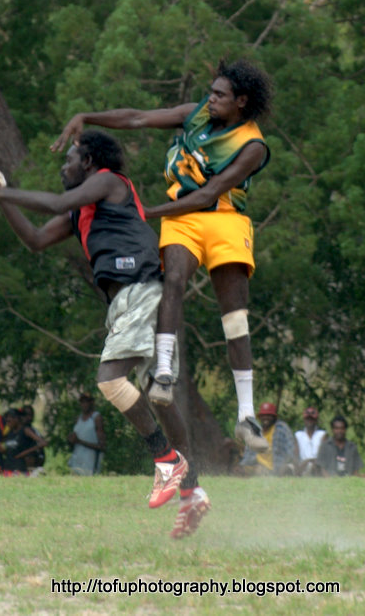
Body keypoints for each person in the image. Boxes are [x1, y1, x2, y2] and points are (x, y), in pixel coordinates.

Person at [0, 131, 210, 537]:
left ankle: (167, 461)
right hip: (135, 298)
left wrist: (3, 193)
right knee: (159, 398)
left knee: (111, 379)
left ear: (90, 162)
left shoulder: (111, 181)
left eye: (71, 159)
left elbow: (58, 201)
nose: (64, 166)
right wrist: (4, 198)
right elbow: (36, 240)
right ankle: (192, 492)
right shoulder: (82, 213)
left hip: (141, 289)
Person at [53, 59, 273, 453]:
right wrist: (88, 116)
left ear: (241, 101)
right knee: (171, 280)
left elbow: (208, 194)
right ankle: (165, 375)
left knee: (235, 319)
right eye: (211, 90)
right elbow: (137, 118)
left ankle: (246, 414)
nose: (211, 98)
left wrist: (146, 211)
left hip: (224, 218)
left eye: (220, 94)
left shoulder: (252, 145)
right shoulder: (195, 115)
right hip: (183, 217)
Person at [238, 402, 295, 476]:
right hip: (257, 466)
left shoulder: (282, 429)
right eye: (263, 415)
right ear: (260, 417)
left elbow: (291, 450)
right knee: (242, 469)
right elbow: (248, 453)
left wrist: (285, 463)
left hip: (277, 465)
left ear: (274, 417)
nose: (265, 418)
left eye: (269, 415)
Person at [0, 408, 47, 476]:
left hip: (21, 468)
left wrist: (25, 453)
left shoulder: (25, 430)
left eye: (9, 421)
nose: (7, 423)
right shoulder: (9, 432)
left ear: (16, 419)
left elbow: (43, 443)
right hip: (8, 468)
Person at [68, 393, 106, 476]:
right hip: (77, 460)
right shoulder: (79, 419)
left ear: (91, 403)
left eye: (86, 402)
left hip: (91, 462)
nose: (84, 405)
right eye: (82, 402)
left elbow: (101, 446)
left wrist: (80, 441)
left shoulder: (96, 418)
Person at [294, 406, 326, 477]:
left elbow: (323, 456)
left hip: (317, 466)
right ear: (304, 420)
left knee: (312, 466)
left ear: (316, 420)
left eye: (312, 419)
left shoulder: (322, 434)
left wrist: (308, 461)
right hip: (302, 466)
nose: (309, 421)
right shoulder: (298, 435)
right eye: (307, 419)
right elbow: (295, 455)